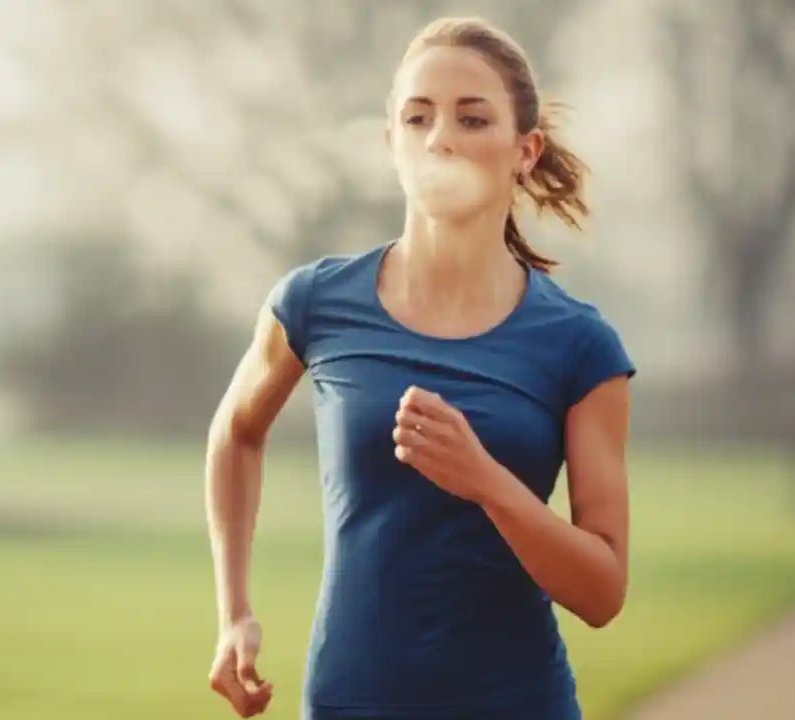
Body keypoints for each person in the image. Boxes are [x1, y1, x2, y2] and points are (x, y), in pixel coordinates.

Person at [205, 15, 636, 720]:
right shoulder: (314, 303)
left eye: (472, 119)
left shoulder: (580, 345)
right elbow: (236, 433)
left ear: (524, 150)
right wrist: (234, 613)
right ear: (391, 144)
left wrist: (488, 483)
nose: (440, 138)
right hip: (352, 701)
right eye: (417, 117)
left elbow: (603, 593)